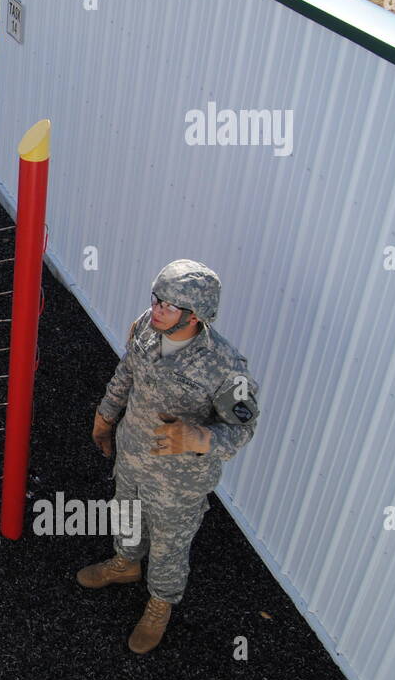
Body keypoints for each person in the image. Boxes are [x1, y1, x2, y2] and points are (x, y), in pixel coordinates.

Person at [79, 260, 260, 654]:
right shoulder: (148, 326)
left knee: (168, 545)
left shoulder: (225, 367)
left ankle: (160, 603)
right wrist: (105, 416)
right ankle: (125, 565)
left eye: (169, 306)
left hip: (179, 481)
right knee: (125, 512)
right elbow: (127, 370)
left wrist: (199, 436)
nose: (158, 309)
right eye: (157, 299)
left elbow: (244, 428)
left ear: (194, 317)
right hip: (132, 452)